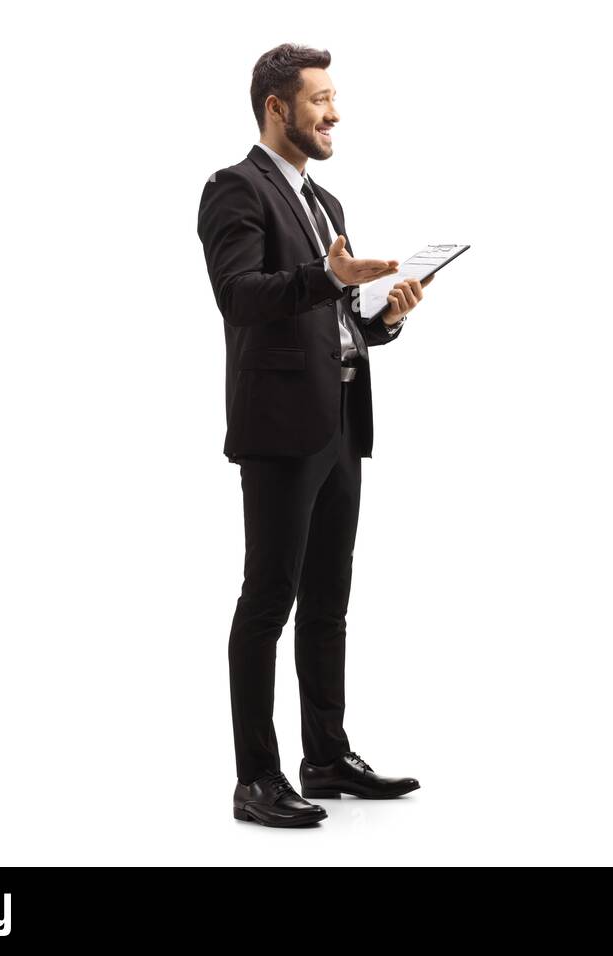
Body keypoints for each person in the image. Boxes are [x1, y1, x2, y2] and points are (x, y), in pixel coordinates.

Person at [197, 43, 429, 827]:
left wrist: (384, 316)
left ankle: (325, 757)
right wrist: (329, 278)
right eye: (320, 100)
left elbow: (337, 317)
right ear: (277, 108)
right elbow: (241, 296)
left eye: (334, 98)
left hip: (341, 420)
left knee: (329, 601)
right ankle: (256, 779)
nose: (335, 113)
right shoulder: (234, 189)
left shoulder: (325, 203)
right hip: (279, 427)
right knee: (268, 600)